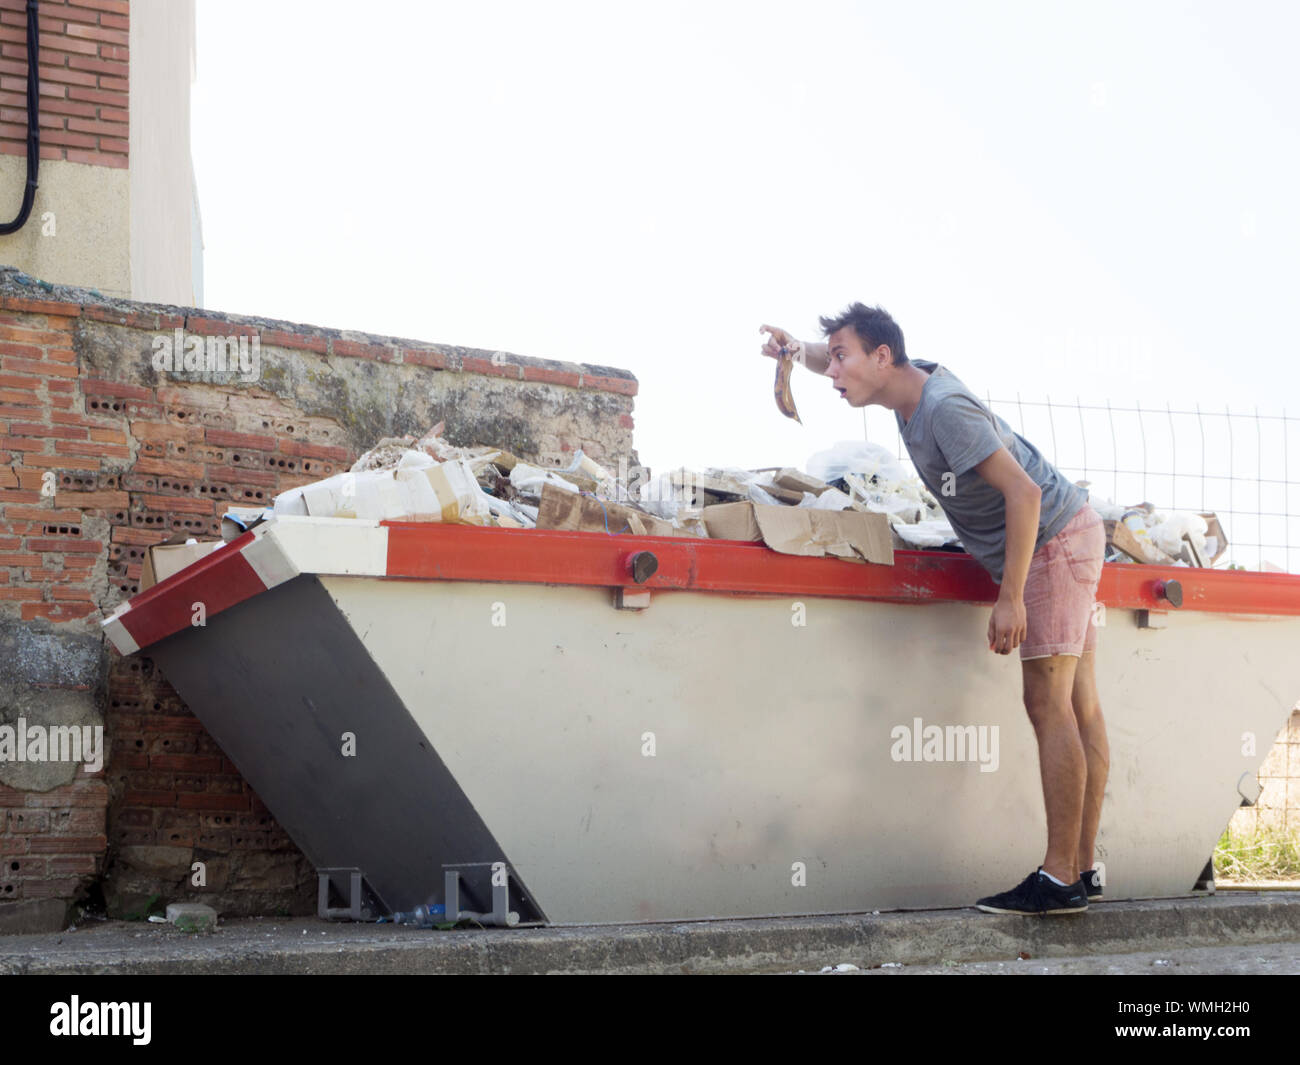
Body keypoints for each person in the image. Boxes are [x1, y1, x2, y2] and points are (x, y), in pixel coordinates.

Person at [761, 304, 1108, 916]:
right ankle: (1081, 871)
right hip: (1069, 532)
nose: (833, 370)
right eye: (830, 356)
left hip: (1052, 539)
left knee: (1049, 703)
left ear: (883, 357)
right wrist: (796, 352)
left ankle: (1060, 879)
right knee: (1078, 707)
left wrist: (1009, 597)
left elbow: (1022, 493)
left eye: (840, 355)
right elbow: (838, 364)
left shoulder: (943, 409)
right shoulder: (904, 391)